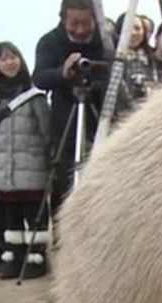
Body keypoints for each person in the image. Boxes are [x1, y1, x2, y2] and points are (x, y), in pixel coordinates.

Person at [0, 42, 52, 280]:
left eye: (13, 57)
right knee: (10, 215)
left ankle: (37, 257)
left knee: (34, 215)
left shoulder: (34, 96)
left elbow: (46, 132)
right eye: (3, 59)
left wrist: (41, 157)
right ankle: (15, 256)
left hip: (31, 166)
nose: (9, 63)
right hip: (4, 169)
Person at [33, 0, 108, 213]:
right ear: (63, 18)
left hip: (101, 122)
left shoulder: (107, 42)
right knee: (65, 187)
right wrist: (62, 73)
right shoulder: (49, 42)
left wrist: (96, 82)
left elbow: (116, 76)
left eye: (86, 23)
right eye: (74, 23)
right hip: (66, 126)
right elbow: (39, 78)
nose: (81, 29)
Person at [114, 12, 157, 103]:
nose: (133, 33)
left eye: (137, 29)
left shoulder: (151, 57)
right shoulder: (113, 57)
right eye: (128, 28)